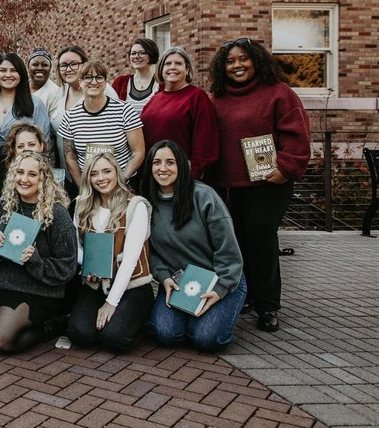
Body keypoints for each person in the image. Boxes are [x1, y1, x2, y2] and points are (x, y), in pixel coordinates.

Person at [208, 38, 310, 333]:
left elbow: (297, 137)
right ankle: (246, 297)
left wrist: (286, 168)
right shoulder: (217, 97)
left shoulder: (280, 94)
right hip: (227, 186)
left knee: (261, 241)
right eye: (230, 61)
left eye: (243, 59)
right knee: (236, 243)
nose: (237, 65)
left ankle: (267, 305)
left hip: (267, 185)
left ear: (257, 60)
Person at [0, 151, 77, 353]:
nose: (24, 179)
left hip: (37, 288)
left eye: (32, 174)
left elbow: (68, 266)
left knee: (2, 339)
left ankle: (51, 327)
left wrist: (36, 261)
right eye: (20, 172)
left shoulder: (57, 213)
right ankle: (3, 318)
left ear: (44, 178)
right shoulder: (0, 207)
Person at [140, 140, 247, 353]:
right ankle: (190, 319)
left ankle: (209, 319)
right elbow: (148, 251)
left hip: (220, 278)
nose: (163, 169)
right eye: (157, 162)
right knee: (165, 333)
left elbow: (228, 249)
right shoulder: (146, 203)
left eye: (170, 162)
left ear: (181, 165)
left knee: (207, 339)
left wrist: (220, 288)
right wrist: (164, 277)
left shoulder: (204, 196)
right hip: (179, 282)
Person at [67, 153, 153, 353]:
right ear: (88, 177)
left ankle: (133, 319)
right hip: (96, 282)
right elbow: (75, 247)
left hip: (132, 285)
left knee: (114, 339)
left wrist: (111, 303)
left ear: (117, 173)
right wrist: (87, 264)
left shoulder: (135, 205)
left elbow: (131, 260)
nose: (101, 178)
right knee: (80, 334)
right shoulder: (82, 203)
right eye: (94, 174)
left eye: (107, 171)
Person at [59, 61, 145, 189]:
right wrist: (83, 189)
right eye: (88, 77)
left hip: (122, 185)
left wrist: (120, 182)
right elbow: (70, 157)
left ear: (105, 83)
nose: (94, 82)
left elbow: (138, 152)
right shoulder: (70, 117)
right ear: (80, 82)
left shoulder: (124, 110)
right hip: (89, 188)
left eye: (99, 77)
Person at [140, 47, 218, 180]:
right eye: (168, 63)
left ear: (187, 69)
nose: (173, 67)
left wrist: (193, 172)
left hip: (182, 176)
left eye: (178, 63)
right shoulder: (155, 98)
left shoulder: (197, 97)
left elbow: (205, 143)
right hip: (153, 175)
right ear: (161, 69)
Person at [0, 53, 51, 197]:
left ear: (21, 74)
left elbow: (45, 144)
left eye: (13, 70)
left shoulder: (35, 104)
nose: (8, 74)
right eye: (3, 70)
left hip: (23, 171)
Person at [111, 38, 160, 115]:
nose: (136, 56)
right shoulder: (120, 83)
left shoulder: (162, 84)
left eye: (142, 53)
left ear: (152, 55)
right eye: (133, 53)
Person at [28, 48, 62, 124]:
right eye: (35, 64)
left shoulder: (56, 93)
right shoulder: (21, 87)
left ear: (50, 68)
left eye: (45, 65)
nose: (40, 68)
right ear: (28, 67)